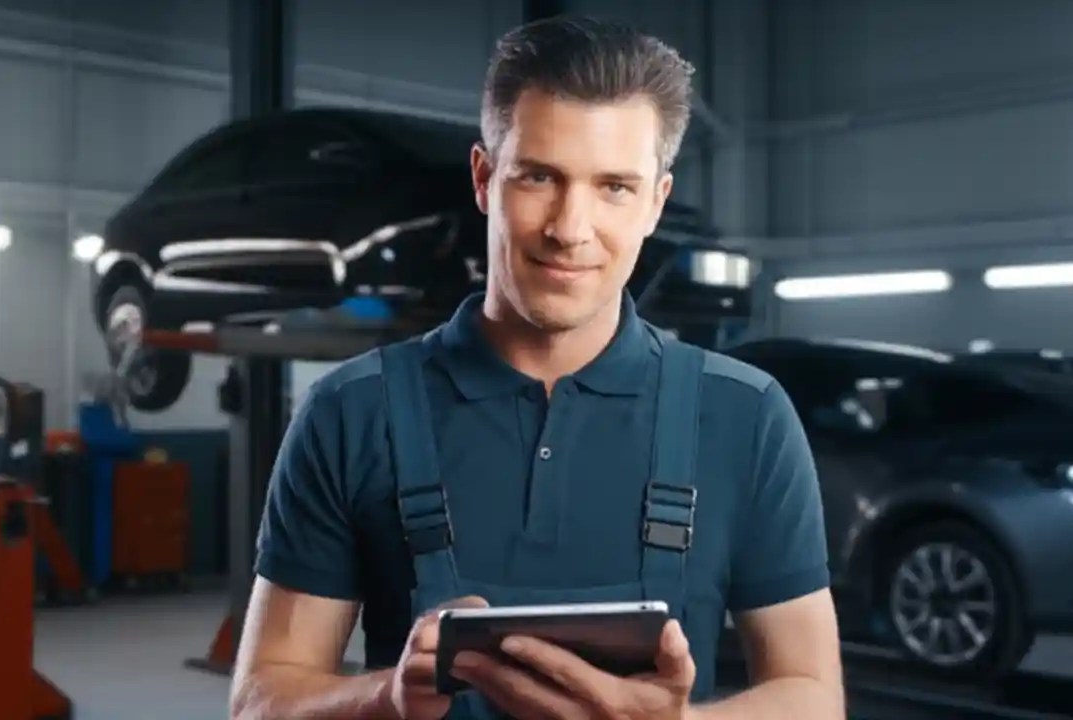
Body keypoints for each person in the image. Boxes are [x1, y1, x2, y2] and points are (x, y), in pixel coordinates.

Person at [230, 14, 844, 720]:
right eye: (539, 176)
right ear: (485, 178)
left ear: (655, 203)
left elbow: (814, 698)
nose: (569, 228)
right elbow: (259, 701)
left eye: (613, 186)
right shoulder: (351, 412)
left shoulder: (747, 417)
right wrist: (386, 699)